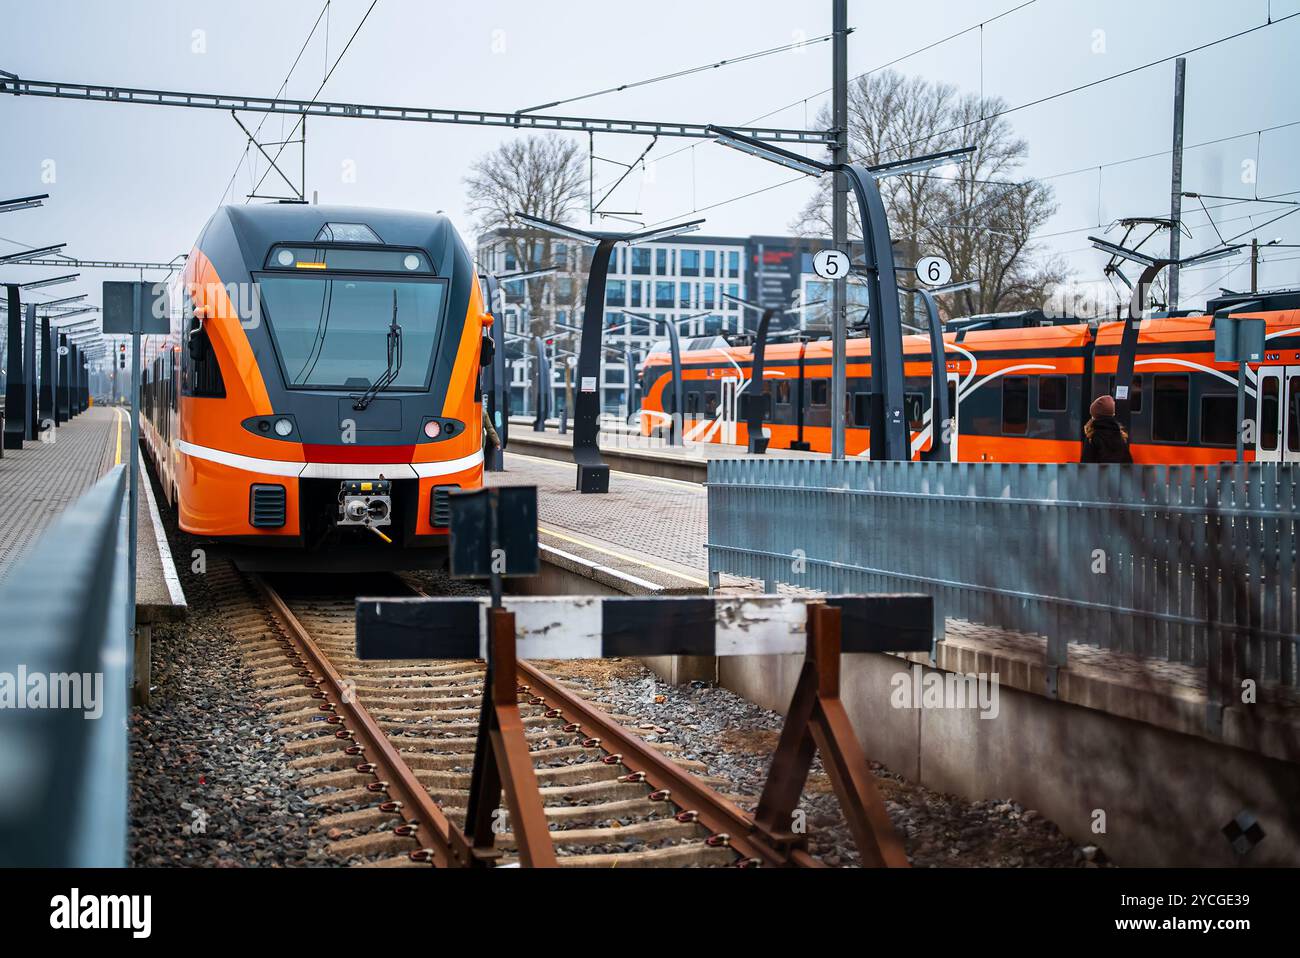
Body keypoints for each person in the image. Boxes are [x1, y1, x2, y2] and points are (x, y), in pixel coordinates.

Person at [1082, 394, 1133, 463]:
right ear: (1112, 415)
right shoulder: (1121, 437)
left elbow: (1086, 463)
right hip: (1117, 474)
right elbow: (1128, 462)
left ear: (1095, 416)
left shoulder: (1092, 437)